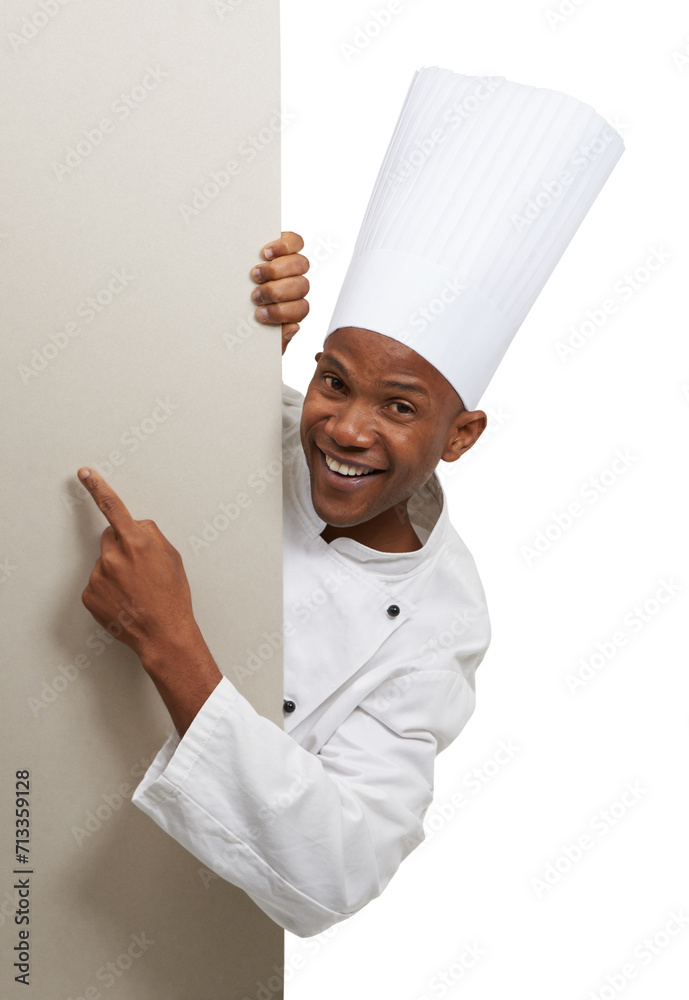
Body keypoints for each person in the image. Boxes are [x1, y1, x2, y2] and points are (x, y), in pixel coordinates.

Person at [78, 67, 624, 938]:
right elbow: (70, 382)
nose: (345, 428)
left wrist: (168, 640)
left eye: (399, 406)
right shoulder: (246, 421)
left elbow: (341, 870)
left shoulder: (441, 620)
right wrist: (222, 327)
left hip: (168, 928)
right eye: (333, 379)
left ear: (461, 435)